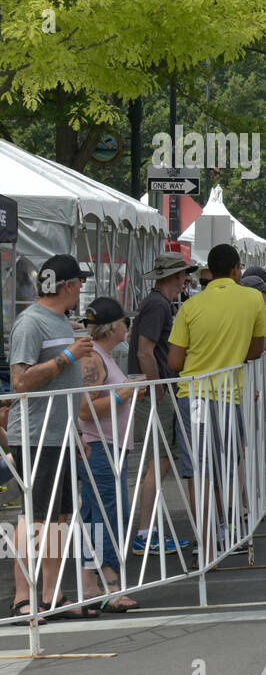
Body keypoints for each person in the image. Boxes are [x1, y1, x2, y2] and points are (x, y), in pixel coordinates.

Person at [7, 254, 96, 621]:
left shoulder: (59, 320)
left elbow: (63, 387)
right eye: (80, 284)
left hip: (56, 433)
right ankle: (23, 596)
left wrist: (74, 429)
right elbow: (20, 380)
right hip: (34, 434)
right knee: (35, 515)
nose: (81, 290)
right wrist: (69, 356)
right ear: (69, 286)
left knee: (57, 516)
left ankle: (50, 593)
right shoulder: (31, 323)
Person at [167, 244, 266, 549]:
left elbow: (174, 362)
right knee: (225, 465)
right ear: (237, 269)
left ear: (208, 272)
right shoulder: (252, 298)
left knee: (198, 472)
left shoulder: (190, 306)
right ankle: (226, 527)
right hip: (230, 395)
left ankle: (207, 541)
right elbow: (256, 349)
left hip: (194, 395)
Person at [126, 252, 197, 558]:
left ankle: (146, 530)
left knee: (160, 459)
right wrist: (156, 390)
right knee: (160, 459)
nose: (187, 279)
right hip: (156, 389)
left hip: (157, 387)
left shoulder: (158, 303)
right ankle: (144, 532)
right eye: (184, 274)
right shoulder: (157, 304)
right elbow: (145, 351)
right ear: (173, 276)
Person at [76, 297, 141, 612]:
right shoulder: (94, 358)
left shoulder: (102, 356)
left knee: (94, 517)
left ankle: (90, 586)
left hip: (108, 445)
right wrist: (122, 394)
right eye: (124, 322)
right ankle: (111, 585)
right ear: (114, 327)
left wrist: (124, 392)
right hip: (99, 445)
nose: (128, 327)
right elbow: (85, 410)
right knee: (110, 515)